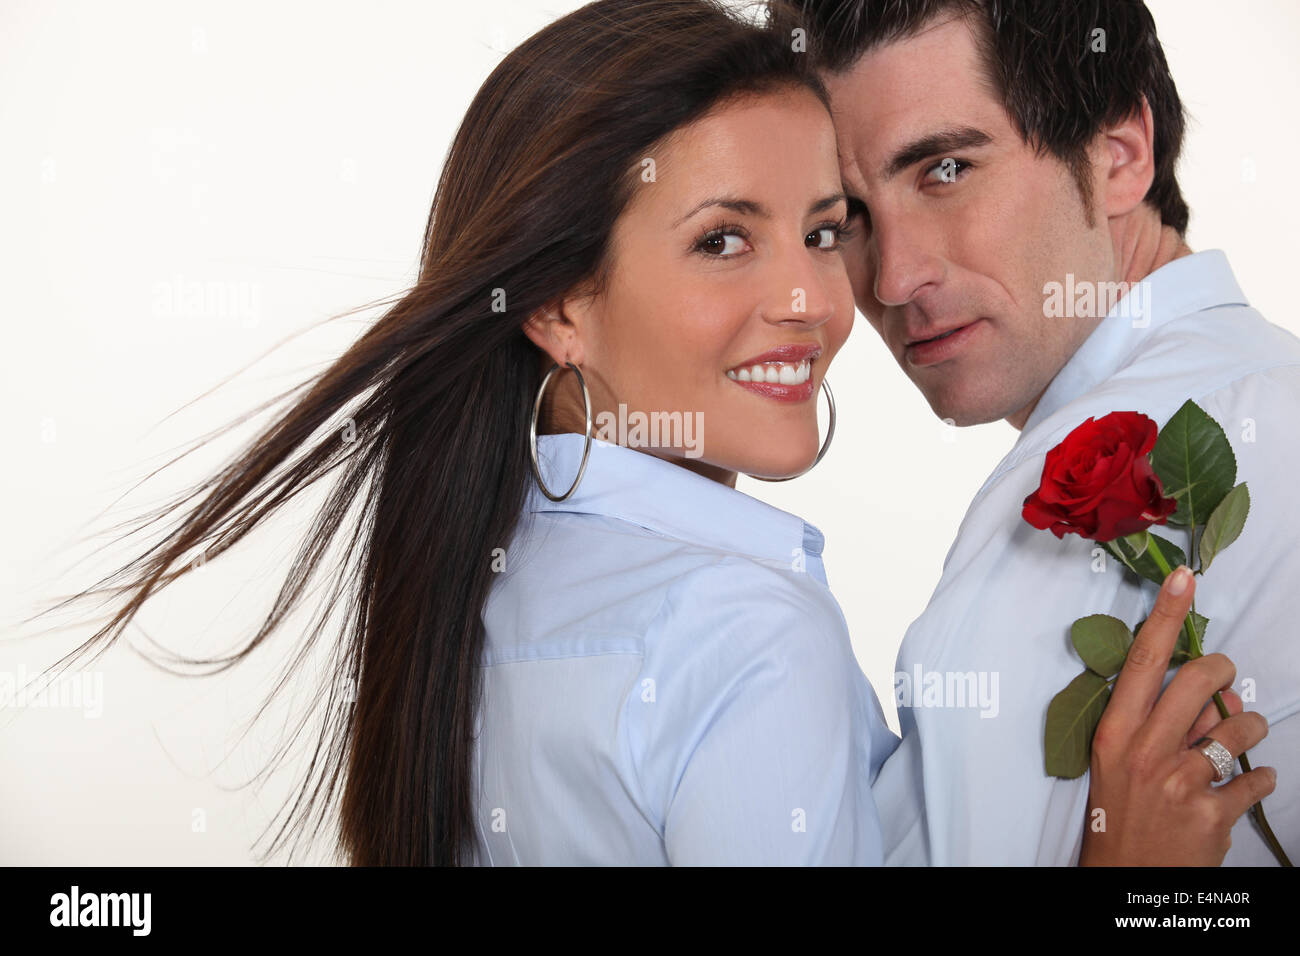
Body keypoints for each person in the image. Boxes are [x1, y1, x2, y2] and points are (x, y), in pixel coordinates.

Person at [25, 0, 1269, 867]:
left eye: (822, 224)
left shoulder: (477, 580)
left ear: (1122, 154)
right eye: (724, 237)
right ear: (558, 303)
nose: (855, 286)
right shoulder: (745, 629)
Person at [769, 0, 1297, 864]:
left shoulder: (1074, 499)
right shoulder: (1276, 384)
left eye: (945, 169)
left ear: (1119, 153)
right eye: (848, 219)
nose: (894, 277)